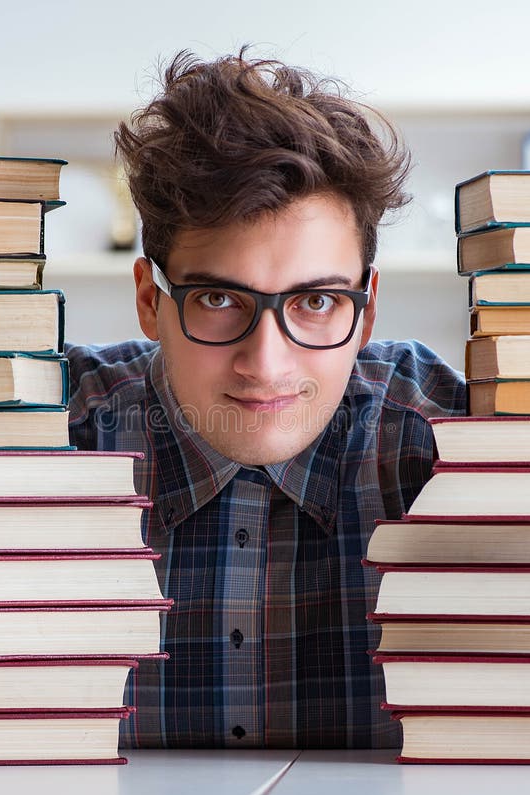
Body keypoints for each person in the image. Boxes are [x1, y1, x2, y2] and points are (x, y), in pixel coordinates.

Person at [66, 48, 466, 749]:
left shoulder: (453, 446)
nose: (266, 363)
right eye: (218, 299)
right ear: (149, 300)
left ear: (367, 311)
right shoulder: (49, 440)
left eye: (316, 301)